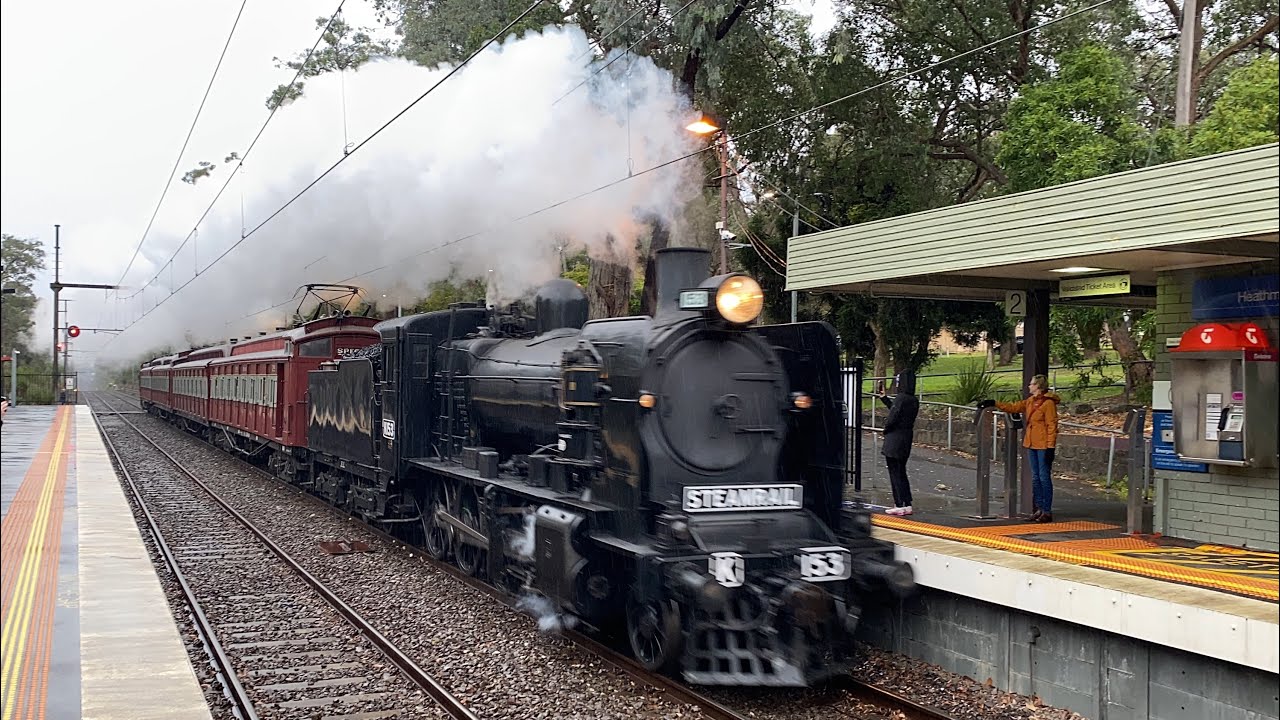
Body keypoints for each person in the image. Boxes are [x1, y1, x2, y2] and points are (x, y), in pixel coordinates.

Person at [980, 375, 1061, 522]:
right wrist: (995, 403)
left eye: (1031, 384)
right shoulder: (1030, 401)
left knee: (1044, 477)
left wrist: (1050, 446)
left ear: (1038, 386)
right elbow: (1014, 407)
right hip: (1031, 443)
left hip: (1043, 445)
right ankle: (1039, 508)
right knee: (1036, 478)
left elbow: (1052, 426)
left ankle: (1047, 510)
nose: (1029, 386)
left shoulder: (1048, 404)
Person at [879, 369, 919, 516]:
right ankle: (907, 503)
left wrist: (886, 429)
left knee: (894, 471)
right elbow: (897, 411)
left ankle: (898, 503)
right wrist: (885, 399)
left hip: (894, 439)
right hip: (906, 438)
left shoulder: (900, 398)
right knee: (902, 471)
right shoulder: (913, 400)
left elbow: (893, 416)